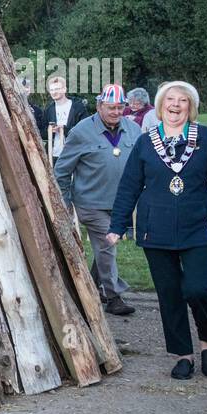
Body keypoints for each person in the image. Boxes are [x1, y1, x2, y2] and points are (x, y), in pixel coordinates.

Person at [108, 81, 207, 380]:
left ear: (191, 107)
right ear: (160, 106)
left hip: (198, 227)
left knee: (197, 289)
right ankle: (183, 354)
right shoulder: (146, 142)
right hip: (154, 231)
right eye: (169, 99)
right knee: (169, 294)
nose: (175, 105)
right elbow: (130, 186)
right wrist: (117, 225)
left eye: (182, 100)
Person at [55, 84, 141, 315]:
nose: (115, 112)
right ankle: (113, 297)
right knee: (107, 244)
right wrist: (64, 201)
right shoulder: (82, 131)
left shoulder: (134, 130)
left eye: (120, 107)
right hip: (90, 203)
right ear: (99, 105)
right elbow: (61, 170)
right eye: (110, 107)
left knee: (104, 249)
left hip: (121, 204)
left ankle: (91, 286)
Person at [42, 75, 89, 160]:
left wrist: (64, 129)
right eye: (52, 90)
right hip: (55, 155)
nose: (54, 92)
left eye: (57, 89)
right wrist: (50, 130)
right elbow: (42, 132)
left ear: (64, 89)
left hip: (75, 154)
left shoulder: (78, 107)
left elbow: (85, 130)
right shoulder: (48, 110)